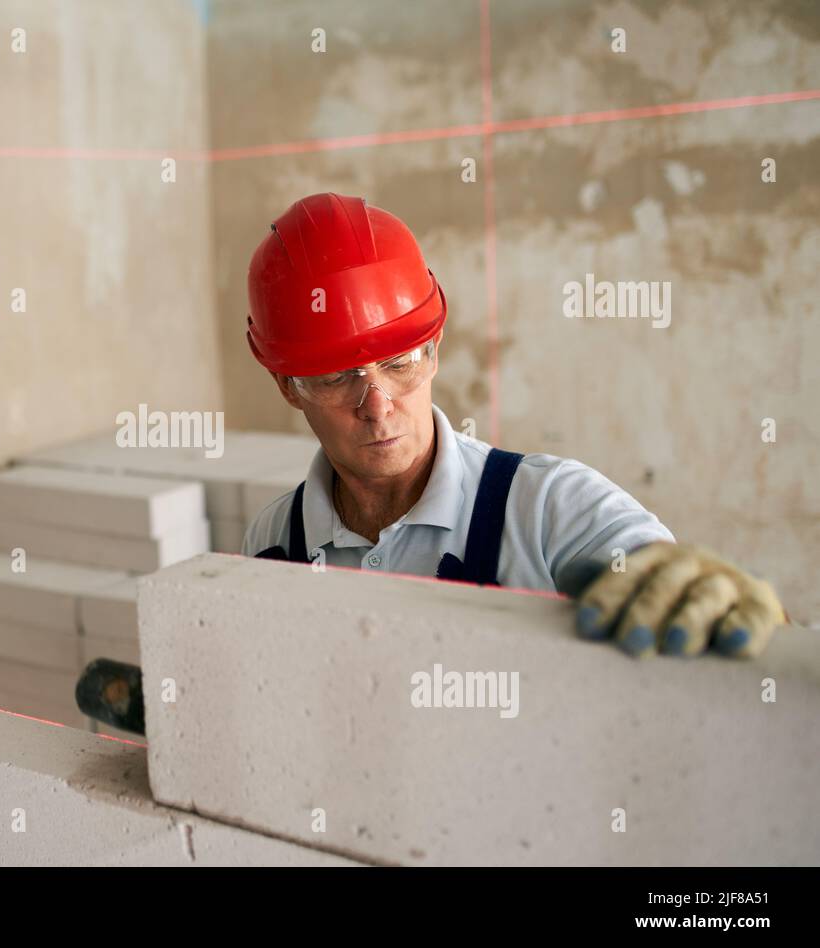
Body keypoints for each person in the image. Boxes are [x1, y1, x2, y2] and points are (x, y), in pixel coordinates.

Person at [241, 192, 787, 659]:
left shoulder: (553, 510)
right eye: (338, 377)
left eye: (400, 363)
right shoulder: (272, 543)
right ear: (289, 386)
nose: (377, 405)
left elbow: (670, 593)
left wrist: (717, 601)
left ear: (434, 352)